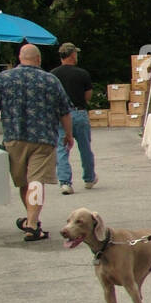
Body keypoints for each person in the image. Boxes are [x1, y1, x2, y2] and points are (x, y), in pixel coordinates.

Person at [0, 43, 72, 242]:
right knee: (36, 181)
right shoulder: (51, 80)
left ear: (19, 57)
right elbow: (64, 111)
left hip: (14, 138)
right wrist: (68, 134)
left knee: (25, 182)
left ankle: (32, 223)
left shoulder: (4, 79)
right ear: (39, 59)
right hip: (43, 139)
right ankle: (33, 223)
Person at [51, 43, 96, 194]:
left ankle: (65, 182)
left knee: (61, 149)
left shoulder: (53, 75)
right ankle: (89, 178)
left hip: (60, 115)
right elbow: (88, 95)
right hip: (79, 112)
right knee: (85, 147)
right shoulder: (82, 73)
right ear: (72, 55)